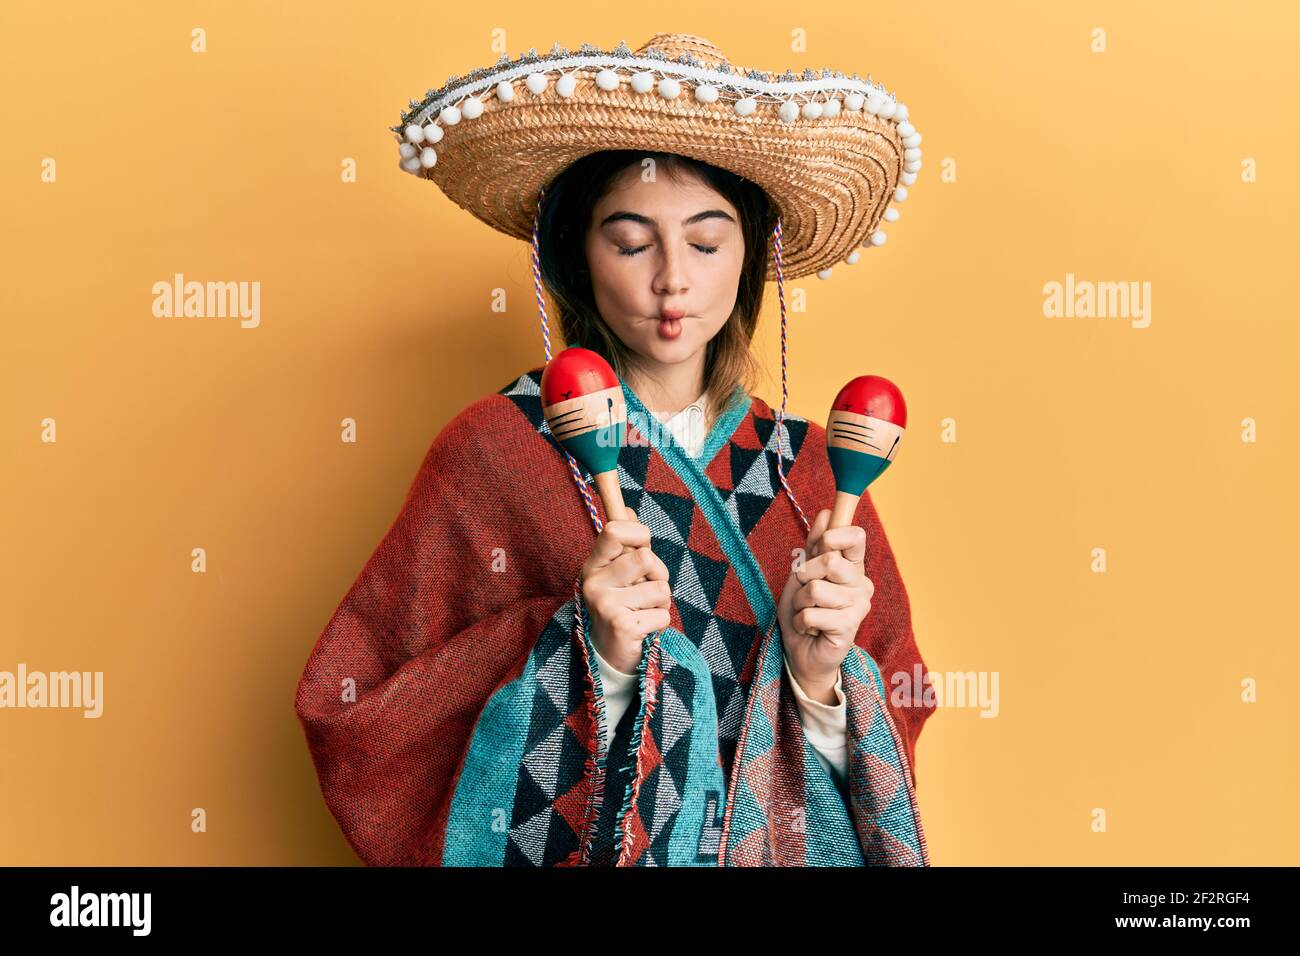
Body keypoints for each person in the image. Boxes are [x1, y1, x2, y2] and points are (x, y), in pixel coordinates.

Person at [295, 32, 934, 866]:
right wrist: (587, 652)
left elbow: (895, 730)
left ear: (751, 258)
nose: (672, 278)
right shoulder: (495, 449)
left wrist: (819, 684)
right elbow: (360, 718)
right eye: (630, 242)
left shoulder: (812, 469)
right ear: (575, 256)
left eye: (706, 243)